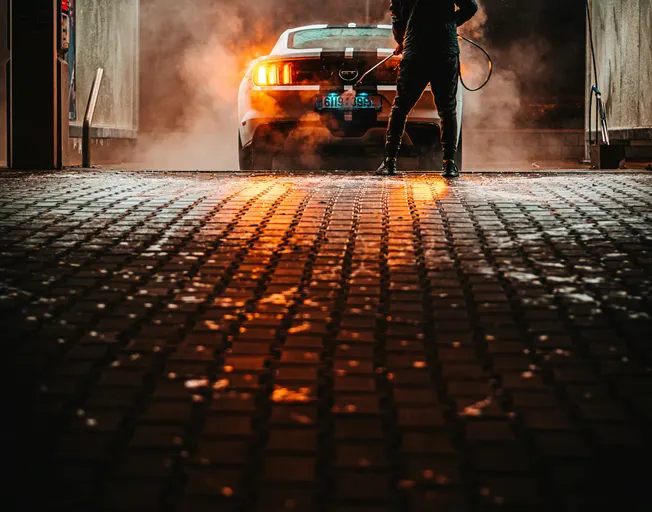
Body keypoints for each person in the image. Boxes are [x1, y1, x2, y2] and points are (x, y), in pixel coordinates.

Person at [376, 0, 479, 177]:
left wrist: (403, 41)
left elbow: (398, 20)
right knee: (447, 108)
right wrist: (450, 22)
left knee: (401, 107)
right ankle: (449, 165)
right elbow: (471, 7)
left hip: (416, 52)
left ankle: (390, 162)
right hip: (445, 51)